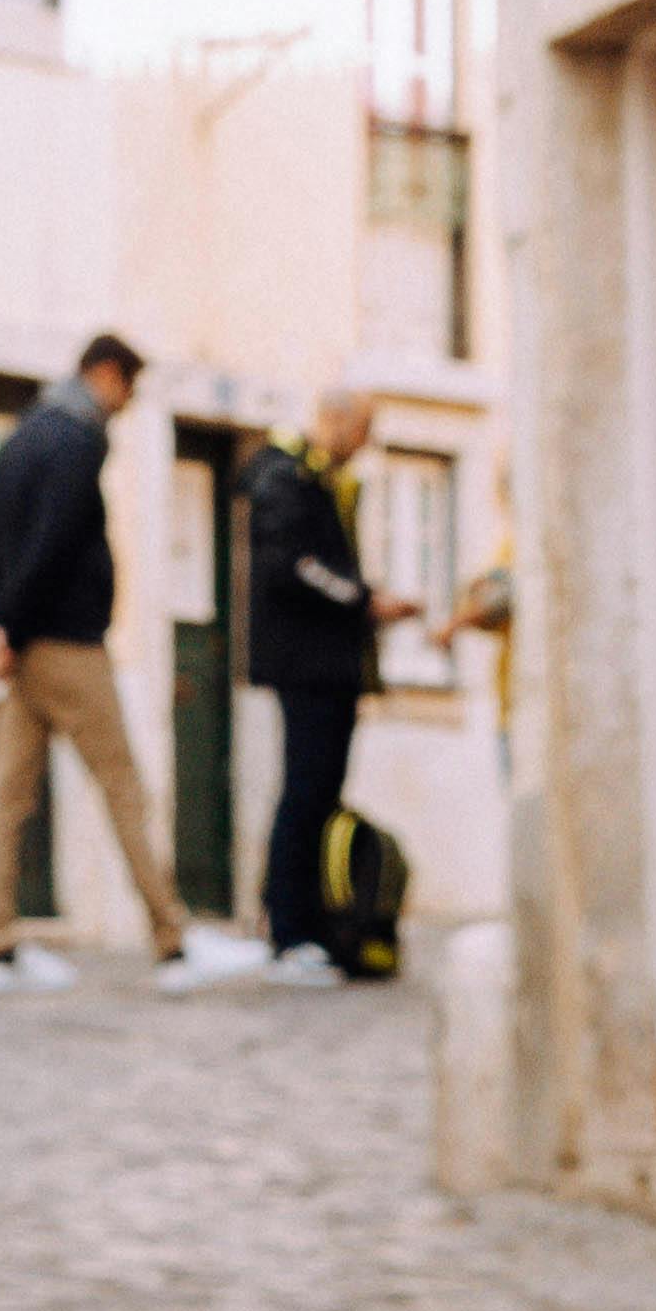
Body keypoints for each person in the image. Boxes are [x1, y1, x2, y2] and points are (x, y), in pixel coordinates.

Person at [0, 335, 211, 985]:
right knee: (123, 786)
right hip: (65, 644)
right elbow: (56, 540)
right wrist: (6, 627)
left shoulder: (19, 439)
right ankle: (172, 941)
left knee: (3, 795)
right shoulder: (75, 438)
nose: (126, 405)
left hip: (23, 647)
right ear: (106, 374)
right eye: (127, 388)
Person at [246, 391, 416, 977]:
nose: (365, 440)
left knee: (318, 796)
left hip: (329, 666)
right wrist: (365, 599)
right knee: (304, 794)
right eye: (364, 427)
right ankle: (288, 932)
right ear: (336, 421)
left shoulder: (320, 480)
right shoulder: (286, 476)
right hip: (307, 665)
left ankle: (305, 925)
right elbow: (295, 566)